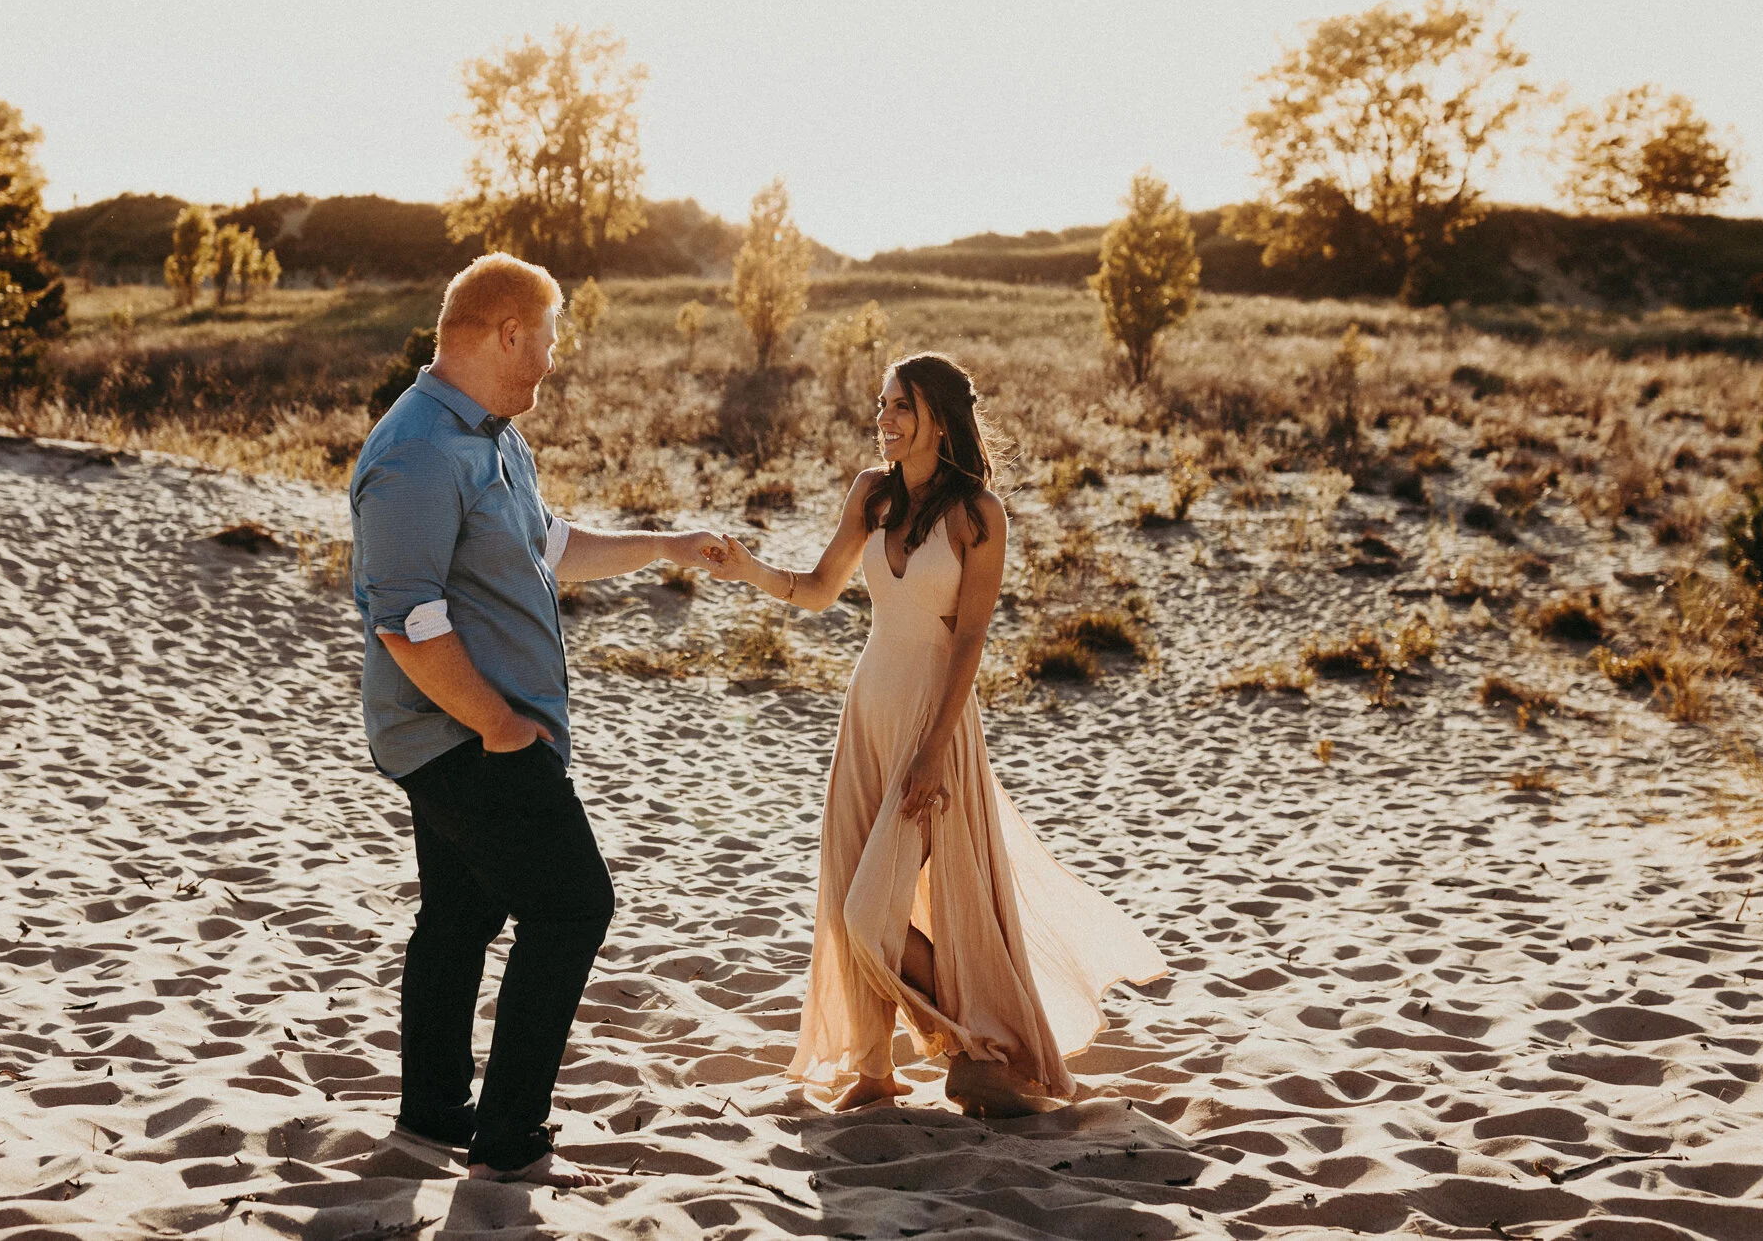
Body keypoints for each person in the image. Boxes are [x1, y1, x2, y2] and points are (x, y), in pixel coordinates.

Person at [352, 253, 728, 1186]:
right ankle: (509, 1134)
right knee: (573, 905)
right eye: (549, 342)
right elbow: (407, 621)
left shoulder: (491, 435)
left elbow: (550, 546)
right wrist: (502, 728)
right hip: (460, 735)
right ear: (506, 331)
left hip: (477, 728)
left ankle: (435, 1107)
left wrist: (665, 545)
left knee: (463, 907)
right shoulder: (416, 451)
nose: (553, 363)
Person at [717, 353, 1165, 1116]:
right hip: (867, 710)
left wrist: (933, 749)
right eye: (881, 404)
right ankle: (873, 1067)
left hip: (935, 721)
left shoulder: (979, 514)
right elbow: (822, 590)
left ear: (938, 418)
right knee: (844, 893)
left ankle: (977, 1044)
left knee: (872, 911)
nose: (883, 419)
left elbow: (969, 640)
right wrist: (747, 567)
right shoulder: (871, 492)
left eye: (899, 407)